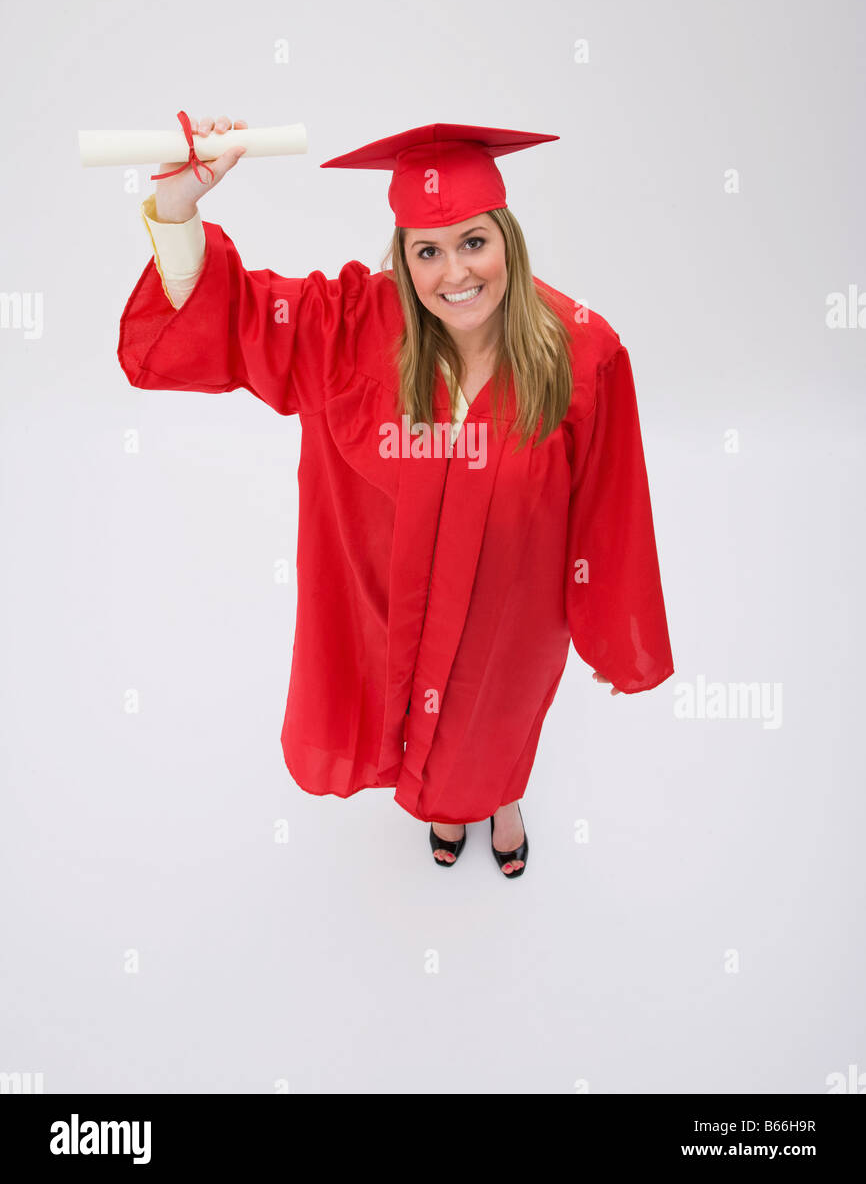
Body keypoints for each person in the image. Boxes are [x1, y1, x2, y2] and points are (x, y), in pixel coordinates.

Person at [118, 115, 675, 879]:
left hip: (512, 614)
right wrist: (179, 207)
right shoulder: (351, 326)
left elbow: (613, 506)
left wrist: (612, 627)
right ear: (403, 258)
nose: (456, 273)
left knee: (497, 720)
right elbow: (235, 315)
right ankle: (448, 809)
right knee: (417, 715)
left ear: (506, 237)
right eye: (429, 251)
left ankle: (502, 800)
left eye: (474, 242)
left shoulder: (583, 350)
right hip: (392, 603)